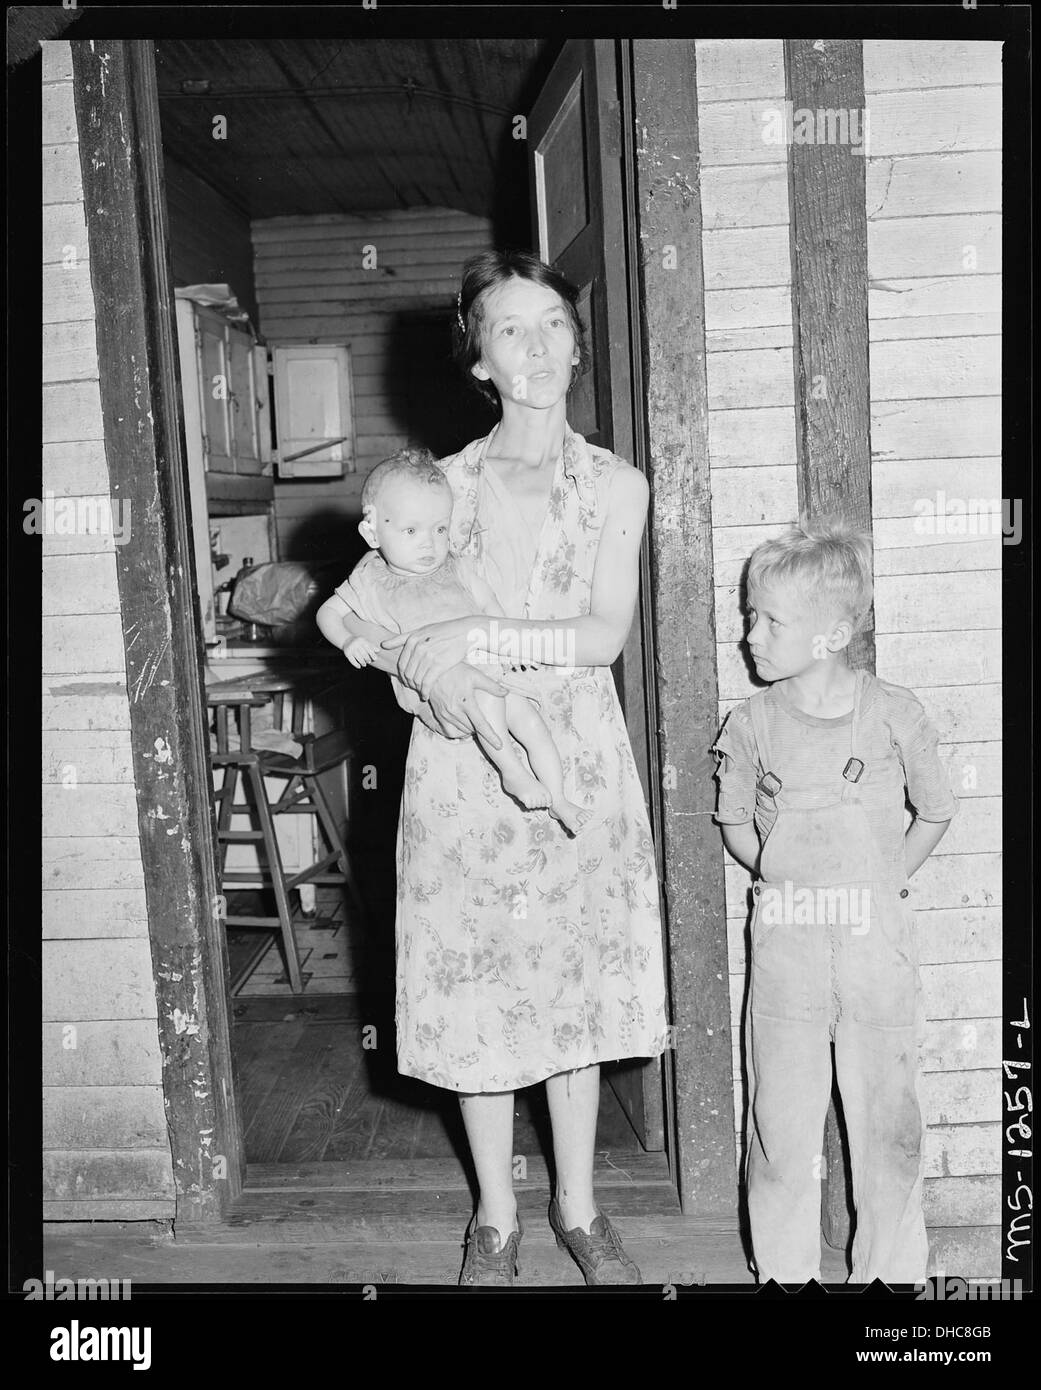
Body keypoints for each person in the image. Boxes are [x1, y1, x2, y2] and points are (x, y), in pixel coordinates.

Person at [317, 249, 668, 1286]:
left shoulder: (617, 484)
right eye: (510, 327)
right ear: (478, 357)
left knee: (571, 983)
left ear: (576, 341)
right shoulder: (436, 486)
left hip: (572, 757)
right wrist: (411, 657)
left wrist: (488, 643)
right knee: (476, 983)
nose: (538, 345)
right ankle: (497, 1217)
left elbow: (601, 636)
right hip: (463, 766)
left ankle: (580, 1208)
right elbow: (368, 617)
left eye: (553, 322)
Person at [712, 516, 959, 1285]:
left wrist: (883, 880)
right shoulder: (748, 725)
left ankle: (887, 1276)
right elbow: (733, 826)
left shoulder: (895, 713)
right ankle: (785, 1275)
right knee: (780, 1127)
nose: (751, 633)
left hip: (872, 947)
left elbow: (937, 811)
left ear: (832, 633)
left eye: (769, 620)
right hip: (785, 942)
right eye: (750, 614)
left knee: (888, 1124)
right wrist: (785, 881)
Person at [323, 446, 590, 836]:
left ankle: (560, 798)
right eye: (411, 531)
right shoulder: (370, 579)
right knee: (487, 703)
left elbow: (489, 606)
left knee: (533, 724)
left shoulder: (457, 566)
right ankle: (512, 772)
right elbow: (328, 613)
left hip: (489, 668)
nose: (429, 544)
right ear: (371, 531)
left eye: (440, 529)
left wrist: (511, 645)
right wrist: (348, 641)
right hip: (441, 687)